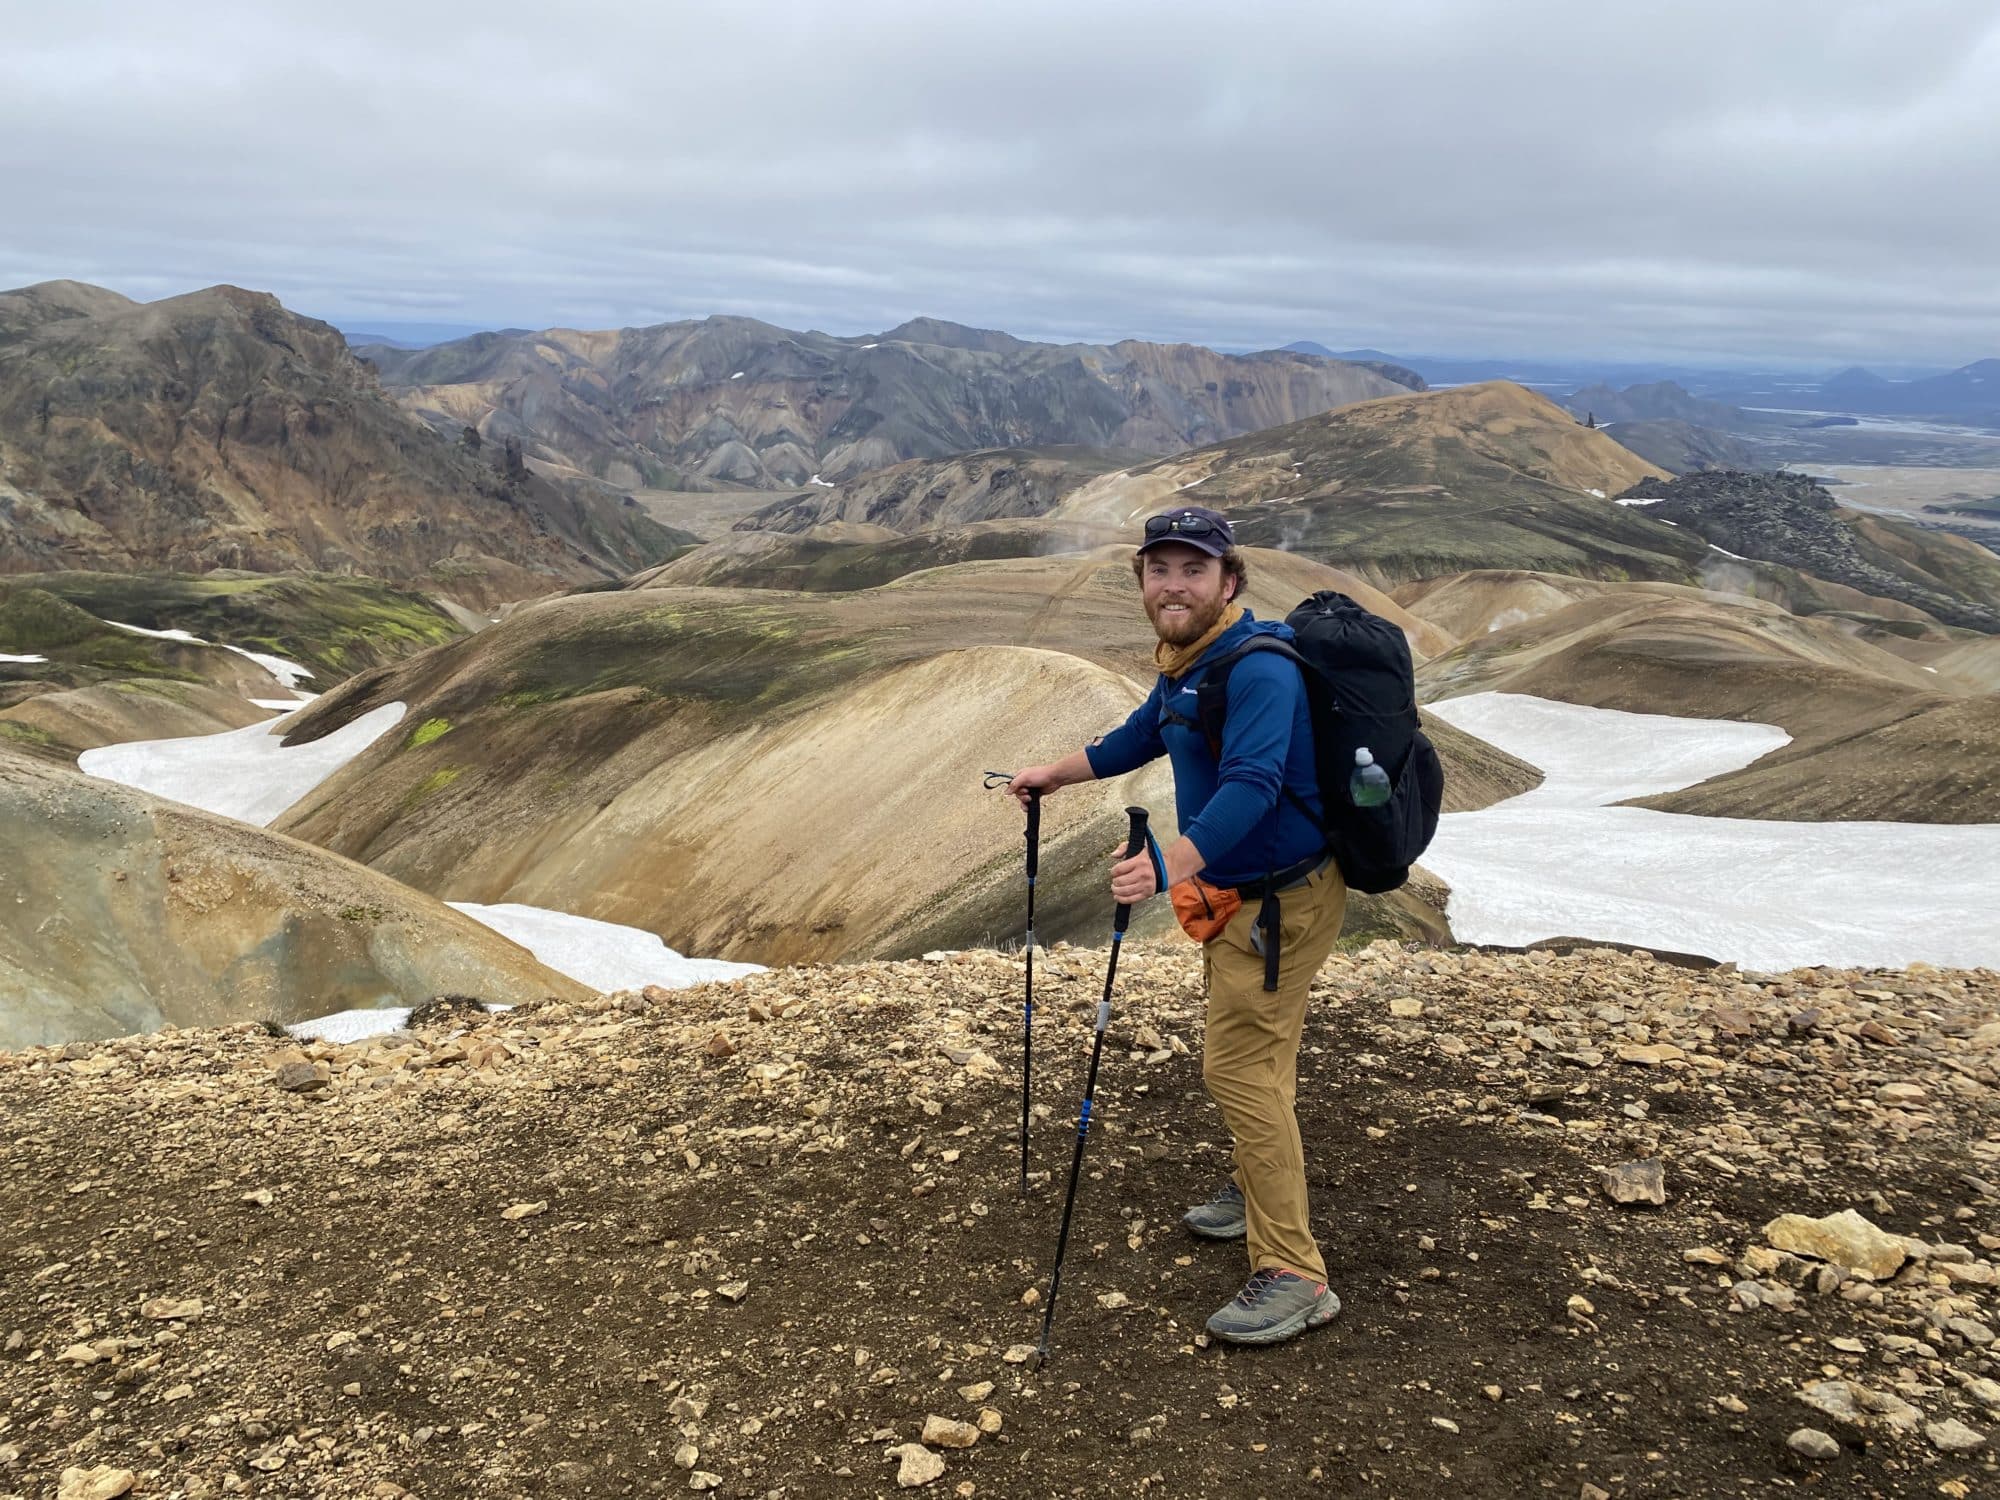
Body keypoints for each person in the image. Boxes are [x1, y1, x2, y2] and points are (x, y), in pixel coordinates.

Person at [1009, 505, 1348, 1347]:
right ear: (1143, 582)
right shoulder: (1190, 662)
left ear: (1228, 582)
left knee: (1239, 1070)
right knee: (1257, 1061)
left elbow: (1253, 786)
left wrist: (1170, 864)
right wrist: (1058, 772)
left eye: (1193, 570)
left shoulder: (1257, 669)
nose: (1174, 584)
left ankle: (1297, 1273)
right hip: (1245, 898)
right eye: (1160, 569)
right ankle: (1260, 1190)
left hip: (1279, 902)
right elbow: (1143, 734)